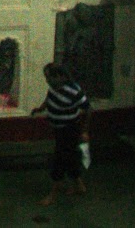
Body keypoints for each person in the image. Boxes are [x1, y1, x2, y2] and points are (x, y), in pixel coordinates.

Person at [31, 62, 91, 205]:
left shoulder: (74, 90)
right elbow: (49, 99)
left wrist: (84, 131)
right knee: (70, 158)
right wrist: (40, 109)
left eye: (49, 77)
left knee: (59, 159)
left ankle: (52, 195)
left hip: (69, 130)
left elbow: (88, 109)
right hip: (59, 129)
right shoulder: (53, 88)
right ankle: (80, 186)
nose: (47, 81)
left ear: (60, 76)